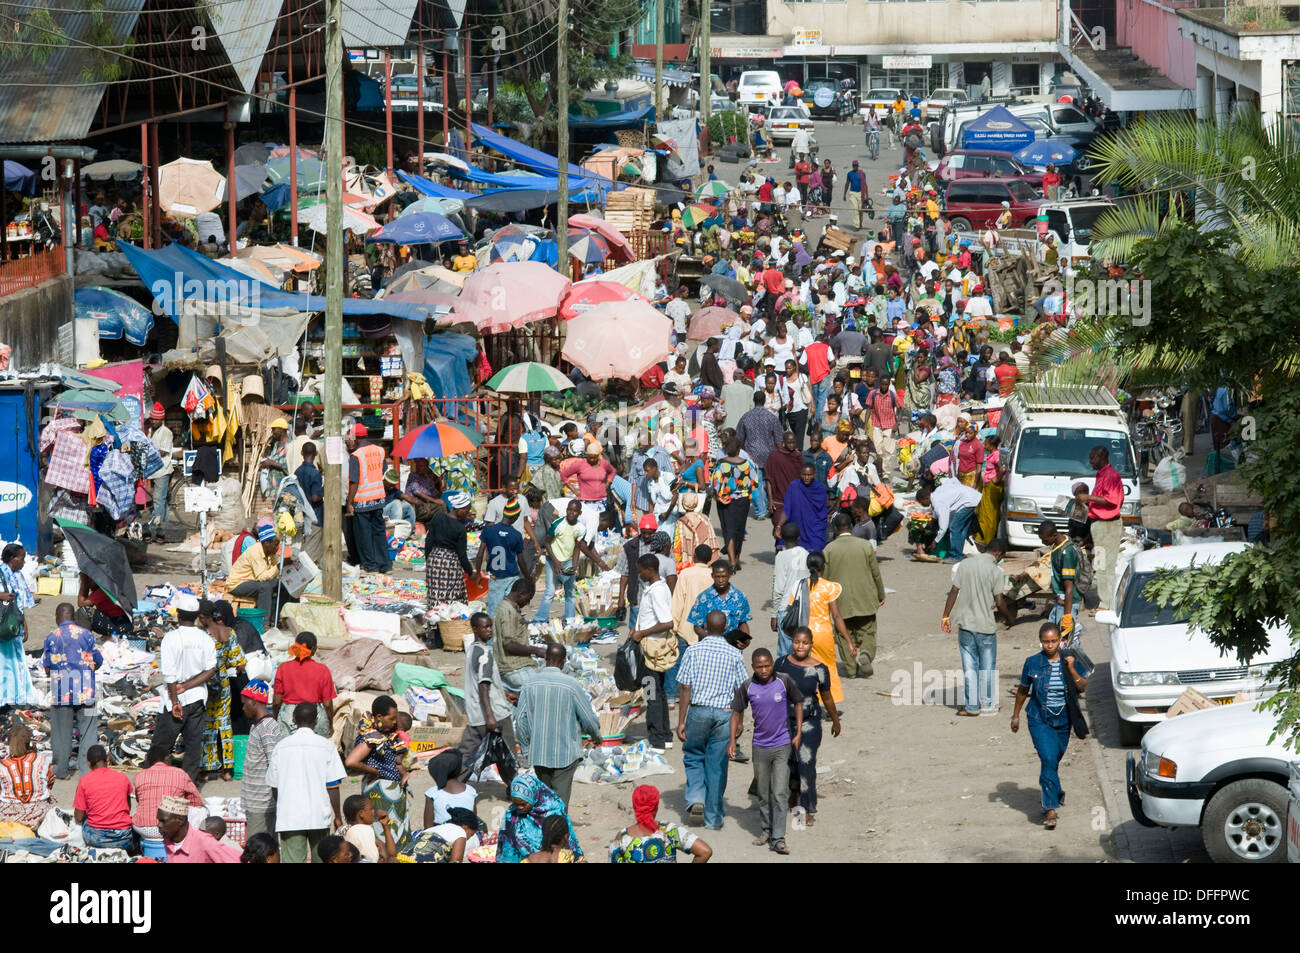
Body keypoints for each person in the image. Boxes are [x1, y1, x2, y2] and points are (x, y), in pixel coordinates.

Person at [1011, 623, 1089, 830]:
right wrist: (1015, 716)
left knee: (1053, 760)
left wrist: (1071, 668)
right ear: (1041, 641)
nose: (1050, 645)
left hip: (1064, 720)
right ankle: (1051, 808)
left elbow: (1082, 686)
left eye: (1053, 641)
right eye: (1046, 642)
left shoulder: (1070, 659)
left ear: (1060, 641)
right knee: (1047, 758)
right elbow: (1022, 690)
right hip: (1039, 719)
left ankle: (1055, 792)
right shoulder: (1032, 663)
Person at [676, 608, 748, 830]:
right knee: (717, 765)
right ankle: (713, 818)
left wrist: (681, 720)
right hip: (724, 715)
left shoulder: (693, 651)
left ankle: (696, 797)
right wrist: (740, 721)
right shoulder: (735, 654)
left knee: (693, 755)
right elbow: (741, 692)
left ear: (705, 627)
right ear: (726, 628)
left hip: (698, 711)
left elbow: (685, 687)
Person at [515, 643, 601, 807]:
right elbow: (588, 718)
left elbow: (520, 719)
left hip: (539, 752)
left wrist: (526, 748)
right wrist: (596, 736)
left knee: (544, 798)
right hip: (566, 753)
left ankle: (546, 828)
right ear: (563, 661)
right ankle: (557, 829)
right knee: (560, 802)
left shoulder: (529, 684)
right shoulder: (571, 684)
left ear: (546, 658)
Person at [146, 594, 217, 781]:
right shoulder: (205, 639)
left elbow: (170, 675)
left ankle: (154, 783)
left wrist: (176, 700)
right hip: (197, 698)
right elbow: (211, 670)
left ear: (178, 615)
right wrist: (187, 686)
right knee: (193, 749)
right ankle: (187, 787)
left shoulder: (171, 638)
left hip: (174, 701)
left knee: (161, 746)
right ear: (196, 616)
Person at [776, 627, 841, 823]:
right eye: (797, 642)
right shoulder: (781, 664)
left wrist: (835, 720)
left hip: (809, 723)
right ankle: (793, 797)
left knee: (806, 764)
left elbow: (827, 697)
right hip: (784, 720)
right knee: (789, 763)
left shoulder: (820, 669)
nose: (800, 646)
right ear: (792, 642)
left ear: (811, 644)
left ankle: (806, 809)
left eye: (804, 643)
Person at [268, 701, 347, 863]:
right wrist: (338, 816)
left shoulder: (281, 747)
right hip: (319, 815)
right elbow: (332, 786)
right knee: (322, 858)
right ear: (316, 720)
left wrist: (282, 804)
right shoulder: (326, 746)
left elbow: (274, 787)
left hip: (290, 817)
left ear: (294, 720)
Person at [942, 539, 1013, 716]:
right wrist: (1010, 619)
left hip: (965, 625)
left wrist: (945, 616)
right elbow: (999, 601)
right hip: (986, 627)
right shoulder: (996, 571)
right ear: (998, 553)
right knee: (987, 667)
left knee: (969, 667)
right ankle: (987, 705)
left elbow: (953, 591)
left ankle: (972, 706)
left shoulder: (964, 565)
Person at [345, 695, 413, 853]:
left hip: (391, 793)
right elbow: (351, 761)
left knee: (395, 835)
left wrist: (403, 773)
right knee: (383, 835)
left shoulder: (386, 734)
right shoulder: (372, 737)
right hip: (380, 794)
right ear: (380, 717)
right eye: (392, 718)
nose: (395, 722)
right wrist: (374, 771)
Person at [41, 603, 101, 778]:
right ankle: (87, 771)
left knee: (61, 733)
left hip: (62, 690)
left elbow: (46, 667)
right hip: (86, 690)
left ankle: (60, 770)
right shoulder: (87, 635)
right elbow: (98, 660)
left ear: (57, 617)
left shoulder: (52, 637)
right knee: (89, 731)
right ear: (73, 617)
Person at [823, 513, 885, 679]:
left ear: (835, 529)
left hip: (839, 601)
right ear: (851, 527)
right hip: (865, 598)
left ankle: (850, 669)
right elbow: (875, 573)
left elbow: (825, 578)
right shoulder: (865, 546)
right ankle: (865, 653)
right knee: (868, 632)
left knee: (844, 635)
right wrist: (881, 593)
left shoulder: (828, 549)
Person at [629, 554, 677, 752]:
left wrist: (642, 633)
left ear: (649, 570)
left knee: (651, 693)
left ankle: (656, 738)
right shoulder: (659, 588)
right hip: (656, 648)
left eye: (641, 570)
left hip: (651, 651)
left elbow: (667, 622)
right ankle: (665, 735)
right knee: (660, 692)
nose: (639, 574)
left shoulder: (657, 591)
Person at [533, 498, 608, 623]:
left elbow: (578, 548)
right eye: (569, 510)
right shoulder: (558, 524)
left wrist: (574, 565)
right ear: (566, 510)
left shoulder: (580, 528)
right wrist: (555, 562)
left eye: (575, 511)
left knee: (570, 593)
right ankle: (540, 619)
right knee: (550, 592)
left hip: (568, 560)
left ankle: (570, 620)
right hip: (553, 560)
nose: (571, 513)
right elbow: (547, 542)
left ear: (580, 513)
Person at [199, 599, 245, 781]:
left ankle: (206, 769)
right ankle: (227, 770)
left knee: (208, 724)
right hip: (224, 683)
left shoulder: (203, 636)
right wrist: (225, 663)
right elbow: (240, 663)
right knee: (224, 725)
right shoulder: (229, 632)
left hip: (206, 683)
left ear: (203, 616)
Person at [1074, 445, 1124, 612]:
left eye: (1093, 458)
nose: (1090, 461)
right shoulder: (1102, 474)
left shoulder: (1110, 475)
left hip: (1107, 526)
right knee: (1101, 564)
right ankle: (1105, 602)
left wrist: (1088, 497)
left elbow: (1111, 500)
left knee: (1104, 566)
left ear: (1101, 457)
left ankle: (1106, 604)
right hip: (1100, 525)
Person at [609, 784, 712, 863]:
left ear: (635, 806)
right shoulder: (668, 830)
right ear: (656, 807)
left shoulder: (622, 837)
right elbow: (705, 852)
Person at [497, 774, 584, 863]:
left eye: (523, 804)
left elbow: (565, 839)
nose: (519, 808)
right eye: (515, 804)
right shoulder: (511, 815)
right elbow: (505, 848)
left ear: (533, 795)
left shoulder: (554, 809)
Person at [236, 678, 284, 838]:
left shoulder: (268, 729)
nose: (243, 708)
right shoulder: (256, 726)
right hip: (254, 800)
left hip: (262, 803)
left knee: (260, 848)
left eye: (244, 703)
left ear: (254, 702)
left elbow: (275, 766)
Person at [130, 748, 203, 843]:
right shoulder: (180, 773)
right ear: (167, 759)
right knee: (201, 810)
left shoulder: (139, 775)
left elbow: (139, 800)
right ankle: (193, 842)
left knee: (137, 808)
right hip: (170, 828)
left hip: (142, 828)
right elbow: (196, 801)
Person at [271, 631, 336, 737]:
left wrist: (276, 718)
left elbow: (277, 702)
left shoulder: (283, 668)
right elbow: (327, 704)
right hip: (314, 716)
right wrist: (330, 725)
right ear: (314, 649)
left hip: (289, 716)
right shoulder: (322, 670)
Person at [228, 525, 296, 625]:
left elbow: (274, 571)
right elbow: (262, 577)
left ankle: (275, 618)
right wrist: (279, 566)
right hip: (238, 583)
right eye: (276, 544)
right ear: (267, 543)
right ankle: (264, 622)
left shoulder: (270, 551)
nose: (277, 548)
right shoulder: (255, 552)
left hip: (253, 582)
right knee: (265, 587)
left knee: (283, 585)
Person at [73, 745, 135, 851]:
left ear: (88, 762)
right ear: (107, 759)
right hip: (124, 837)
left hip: (96, 838)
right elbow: (127, 808)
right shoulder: (122, 777)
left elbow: (78, 816)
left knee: (84, 819)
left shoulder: (85, 781)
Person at [710, 435, 756, 571]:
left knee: (728, 530)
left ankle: (731, 561)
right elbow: (753, 482)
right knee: (739, 529)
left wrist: (718, 496)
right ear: (738, 449)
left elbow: (716, 484)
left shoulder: (721, 464)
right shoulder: (748, 464)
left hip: (725, 502)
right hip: (743, 501)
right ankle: (737, 558)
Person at [494, 577, 547, 694]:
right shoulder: (507, 611)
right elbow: (509, 645)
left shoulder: (507, 609)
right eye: (527, 599)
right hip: (512, 668)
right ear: (520, 594)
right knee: (542, 690)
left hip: (512, 666)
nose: (528, 603)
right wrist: (536, 650)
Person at [0, 543, 37, 710]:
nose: (24, 562)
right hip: (3, 625)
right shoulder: (1, 573)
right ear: (12, 559)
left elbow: (20, 605)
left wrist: (25, 625)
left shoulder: (19, 576)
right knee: (4, 663)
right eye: (21, 558)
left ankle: (16, 696)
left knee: (17, 663)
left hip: (15, 625)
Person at [156, 794, 241, 863]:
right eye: (159, 820)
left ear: (180, 821)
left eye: (163, 821)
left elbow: (238, 859)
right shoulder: (168, 841)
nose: (158, 825)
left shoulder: (205, 842)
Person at [476, 498, 525, 616]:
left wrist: (478, 572)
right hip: (511, 577)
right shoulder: (516, 535)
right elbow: (521, 560)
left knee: (493, 610)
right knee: (511, 609)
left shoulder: (489, 530)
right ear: (516, 517)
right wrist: (527, 577)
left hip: (495, 578)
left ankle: (494, 633)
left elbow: (480, 553)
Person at [0, 724, 54, 828]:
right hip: (39, 814)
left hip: (8, 816)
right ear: (28, 742)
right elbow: (49, 784)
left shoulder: (2, 765)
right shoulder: (42, 760)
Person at [771, 521, 810, 658]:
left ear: (781, 536)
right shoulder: (806, 554)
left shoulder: (781, 557)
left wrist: (774, 614)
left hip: (786, 608)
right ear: (799, 537)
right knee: (803, 648)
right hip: (804, 608)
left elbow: (778, 589)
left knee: (785, 651)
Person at [923, 479, 982, 563]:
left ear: (926, 498)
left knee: (954, 527)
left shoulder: (939, 502)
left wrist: (935, 542)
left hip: (967, 501)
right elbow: (936, 512)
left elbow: (944, 527)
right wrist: (933, 519)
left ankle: (955, 556)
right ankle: (959, 554)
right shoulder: (936, 494)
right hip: (972, 497)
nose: (922, 505)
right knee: (962, 529)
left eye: (922, 502)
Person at [423, 749, 477, 828]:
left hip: (441, 837)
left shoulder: (432, 793)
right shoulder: (471, 791)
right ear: (459, 770)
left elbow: (428, 827)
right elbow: (473, 822)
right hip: (467, 836)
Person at [783, 463, 829, 553]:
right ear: (800, 474)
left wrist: (820, 528)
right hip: (798, 528)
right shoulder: (794, 486)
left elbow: (822, 512)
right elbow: (787, 508)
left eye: (809, 475)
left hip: (815, 529)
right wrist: (779, 525)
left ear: (814, 475)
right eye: (804, 474)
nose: (806, 477)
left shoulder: (820, 489)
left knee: (815, 556)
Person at [340, 793, 396, 863]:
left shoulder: (342, 830)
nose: (374, 812)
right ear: (361, 814)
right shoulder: (363, 830)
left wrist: (385, 825)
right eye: (371, 809)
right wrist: (386, 828)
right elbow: (390, 856)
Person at [844, 159, 867, 230]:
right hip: (853, 193)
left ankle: (860, 223)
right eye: (854, 166)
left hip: (860, 193)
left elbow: (865, 184)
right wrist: (844, 194)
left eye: (856, 166)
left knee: (860, 210)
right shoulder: (849, 174)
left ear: (858, 166)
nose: (855, 167)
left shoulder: (862, 173)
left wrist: (867, 195)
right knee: (855, 209)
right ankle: (856, 225)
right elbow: (847, 184)